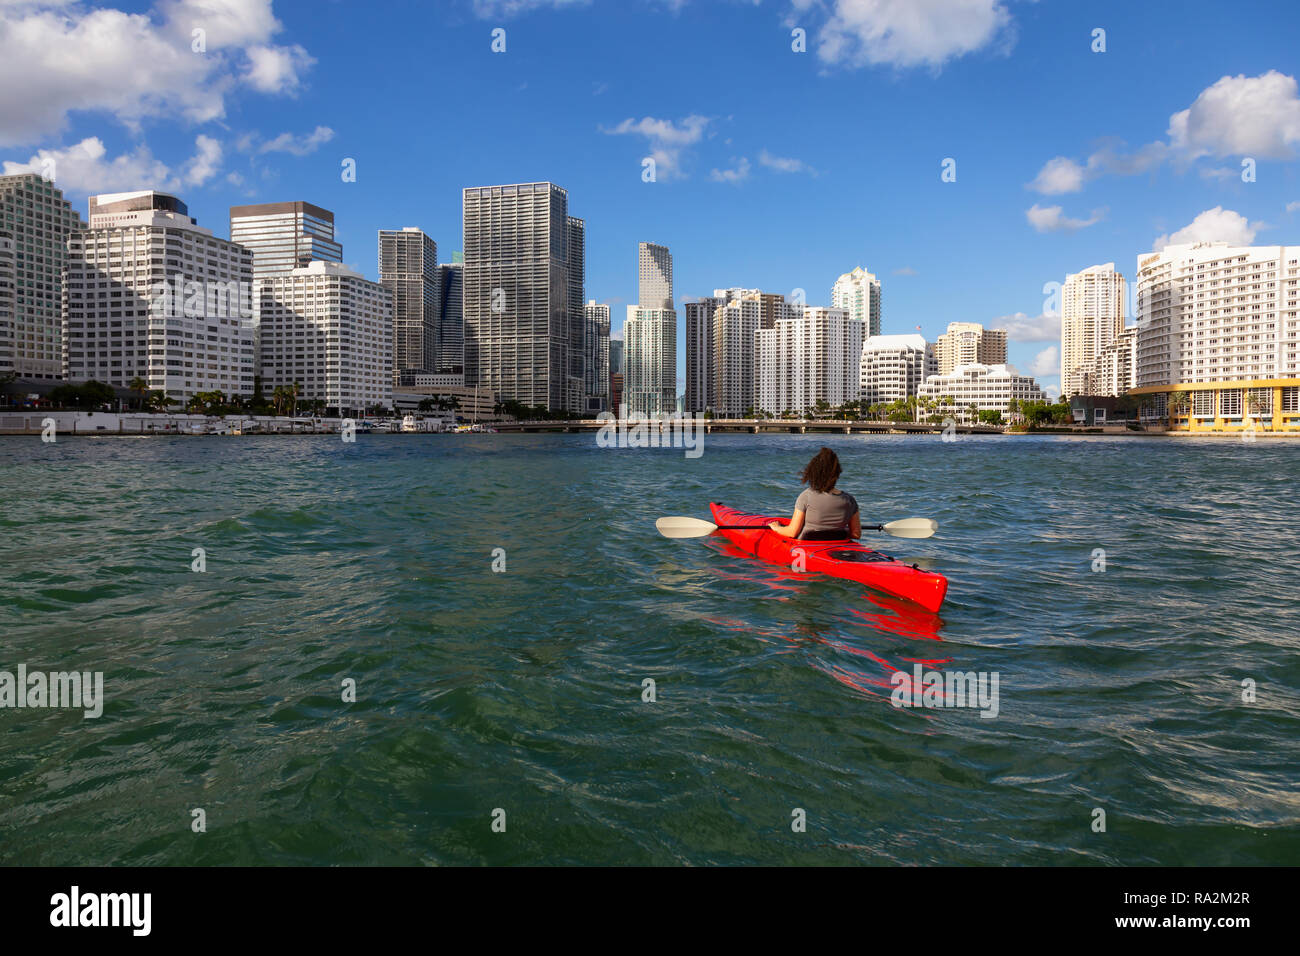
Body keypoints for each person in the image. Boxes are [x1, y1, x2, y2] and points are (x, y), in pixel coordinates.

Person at [767, 446, 861, 541]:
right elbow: (856, 534)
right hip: (837, 545)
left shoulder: (806, 496)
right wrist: (838, 531)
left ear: (813, 473)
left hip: (807, 545)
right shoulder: (850, 500)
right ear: (837, 474)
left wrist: (776, 528)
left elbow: (792, 532)